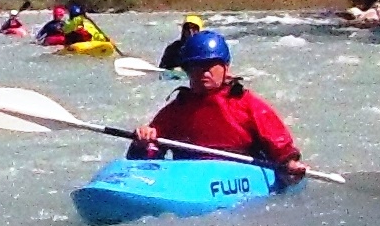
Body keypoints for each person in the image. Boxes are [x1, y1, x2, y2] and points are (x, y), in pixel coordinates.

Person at [129, 30, 307, 182]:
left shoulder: (247, 104)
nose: (204, 72)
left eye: (210, 65)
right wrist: (143, 142)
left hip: (237, 173)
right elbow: (146, 159)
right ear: (187, 70)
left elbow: (280, 144)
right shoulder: (176, 110)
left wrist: (289, 162)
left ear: (225, 67)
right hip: (189, 177)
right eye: (196, 66)